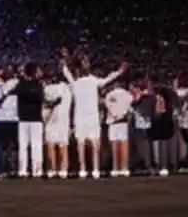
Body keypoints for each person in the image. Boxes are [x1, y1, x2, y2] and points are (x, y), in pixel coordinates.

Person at [62, 50, 126, 179]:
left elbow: (107, 79)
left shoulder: (88, 81)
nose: (87, 65)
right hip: (83, 116)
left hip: (89, 116)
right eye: (85, 63)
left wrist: (119, 72)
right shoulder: (80, 82)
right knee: (85, 142)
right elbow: (66, 72)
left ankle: (90, 169)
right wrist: (65, 61)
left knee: (91, 142)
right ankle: (88, 169)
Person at [12, 62, 46, 179]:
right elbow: (40, 99)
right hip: (35, 119)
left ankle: (22, 170)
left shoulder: (20, 85)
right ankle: (37, 170)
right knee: (36, 146)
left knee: (23, 146)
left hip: (23, 119)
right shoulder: (38, 85)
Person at [43, 69, 72, 178]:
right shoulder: (66, 88)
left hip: (58, 120)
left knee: (58, 145)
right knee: (55, 145)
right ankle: (58, 169)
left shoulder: (65, 88)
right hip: (54, 120)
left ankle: (58, 169)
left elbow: (46, 104)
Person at [104, 80, 134, 177]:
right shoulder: (128, 95)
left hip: (113, 122)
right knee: (123, 144)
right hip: (123, 122)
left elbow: (109, 107)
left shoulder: (109, 95)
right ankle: (124, 168)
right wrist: (123, 115)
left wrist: (116, 115)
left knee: (115, 145)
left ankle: (115, 168)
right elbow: (131, 109)